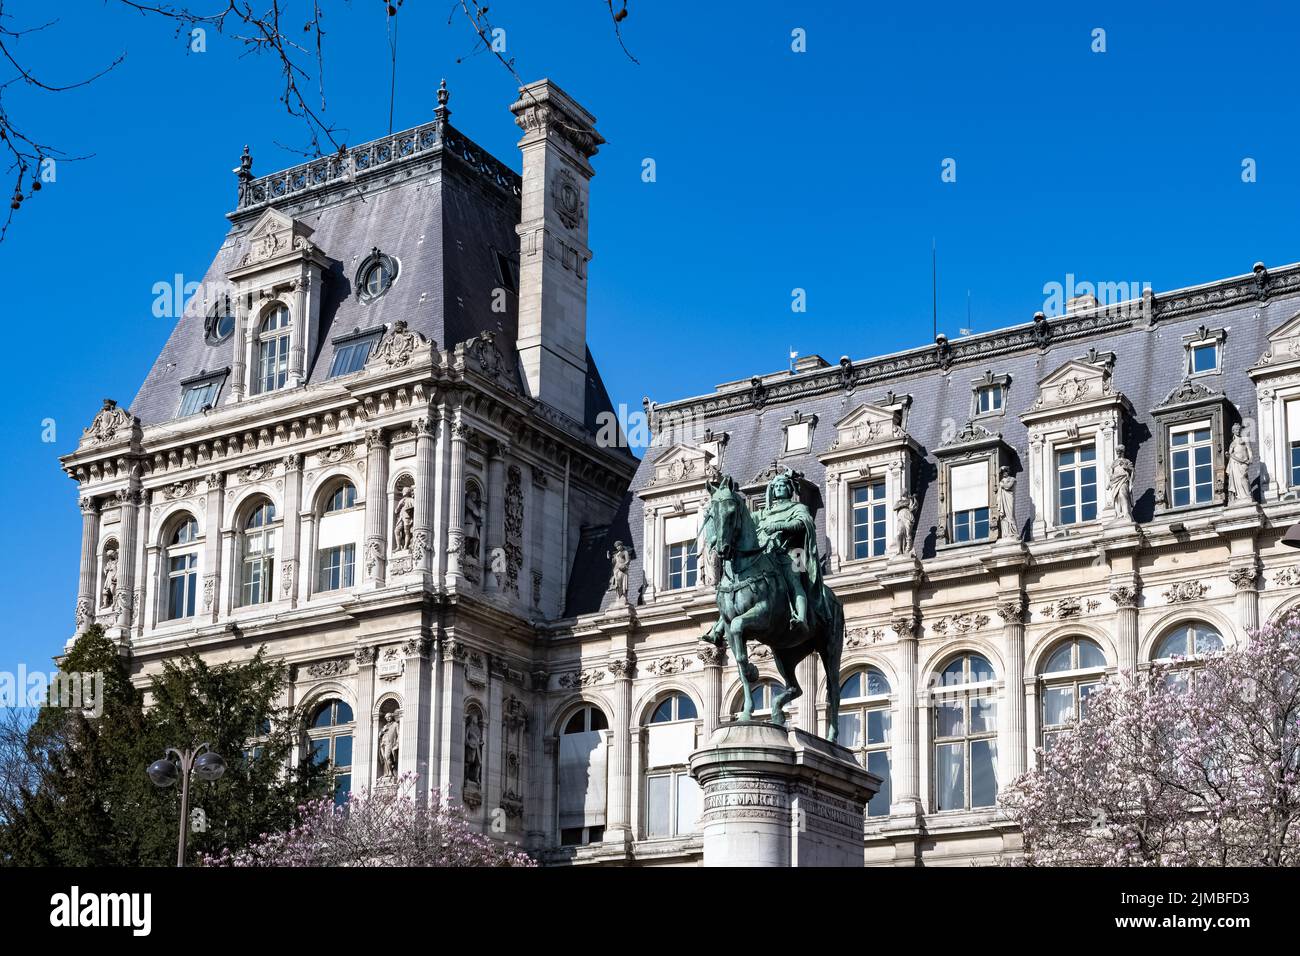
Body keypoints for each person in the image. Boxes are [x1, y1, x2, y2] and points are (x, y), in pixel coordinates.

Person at [755, 470, 824, 634]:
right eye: (776, 486)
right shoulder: (765, 513)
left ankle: (801, 618)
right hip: (771, 553)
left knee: (795, 581)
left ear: (789, 489)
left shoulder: (798, 507)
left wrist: (778, 526)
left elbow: (803, 523)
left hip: (797, 552)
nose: (779, 488)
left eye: (782, 485)